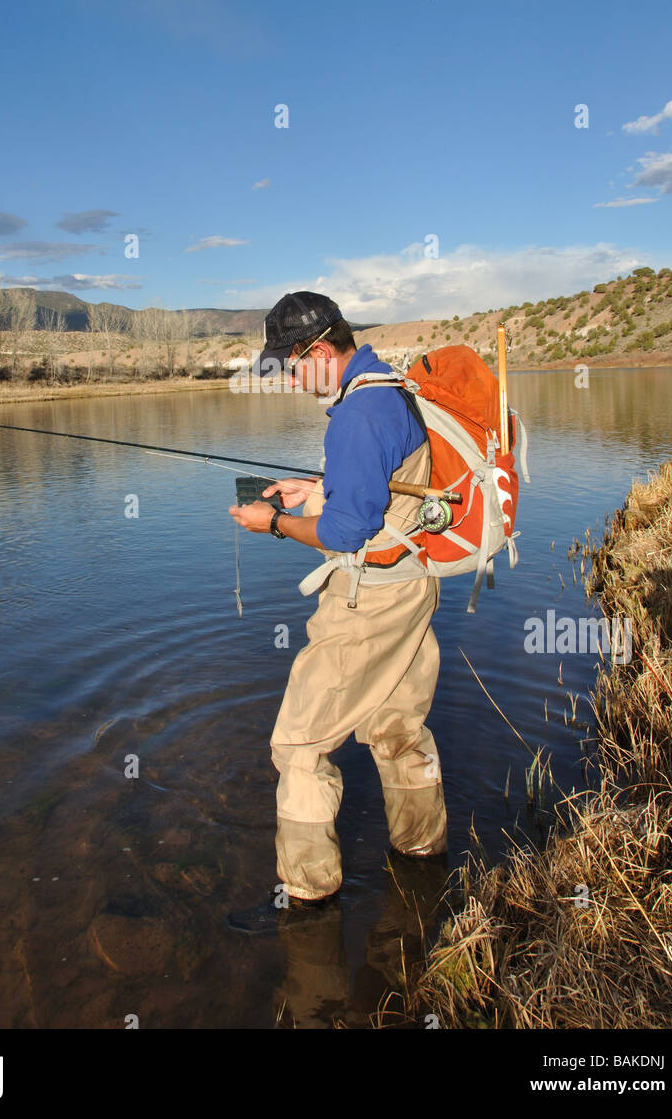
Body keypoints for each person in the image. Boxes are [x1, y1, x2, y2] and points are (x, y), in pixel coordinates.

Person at [227, 291, 447, 933]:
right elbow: (378, 490)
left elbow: (349, 532)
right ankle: (423, 859)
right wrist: (314, 490)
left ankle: (308, 902)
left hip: (369, 602)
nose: (292, 380)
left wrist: (274, 522)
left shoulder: (355, 415)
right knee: (398, 733)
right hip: (412, 586)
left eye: (292, 367)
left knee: (297, 749)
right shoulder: (387, 388)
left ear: (319, 351)